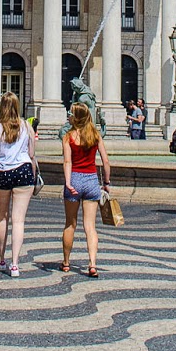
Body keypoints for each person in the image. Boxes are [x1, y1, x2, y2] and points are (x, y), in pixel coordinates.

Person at [0, 92, 38, 277]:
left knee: (2, 218)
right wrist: (33, 177)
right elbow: (31, 155)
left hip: (3, 173)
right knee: (18, 220)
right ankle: (15, 265)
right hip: (24, 172)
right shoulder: (27, 126)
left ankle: (1, 259)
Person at [61, 101, 111, 278]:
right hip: (91, 180)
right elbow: (106, 161)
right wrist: (106, 182)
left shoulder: (68, 136)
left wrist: (68, 183)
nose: (68, 116)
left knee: (70, 224)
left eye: (70, 113)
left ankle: (66, 262)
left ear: (75, 117)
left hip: (74, 178)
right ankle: (92, 264)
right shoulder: (95, 135)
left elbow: (67, 161)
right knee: (90, 226)